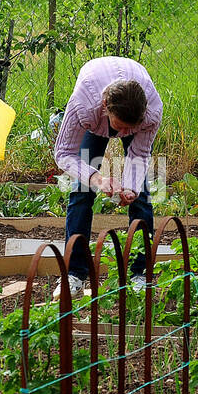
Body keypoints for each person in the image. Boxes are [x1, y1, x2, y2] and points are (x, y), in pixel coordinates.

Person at [52, 56, 162, 298]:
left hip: (128, 108)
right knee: (81, 191)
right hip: (95, 118)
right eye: (120, 127)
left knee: (140, 195)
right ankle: (75, 274)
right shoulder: (85, 105)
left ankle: (140, 274)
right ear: (106, 107)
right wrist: (97, 179)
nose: (123, 134)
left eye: (129, 129)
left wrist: (130, 187)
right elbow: (63, 153)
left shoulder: (151, 112)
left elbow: (139, 152)